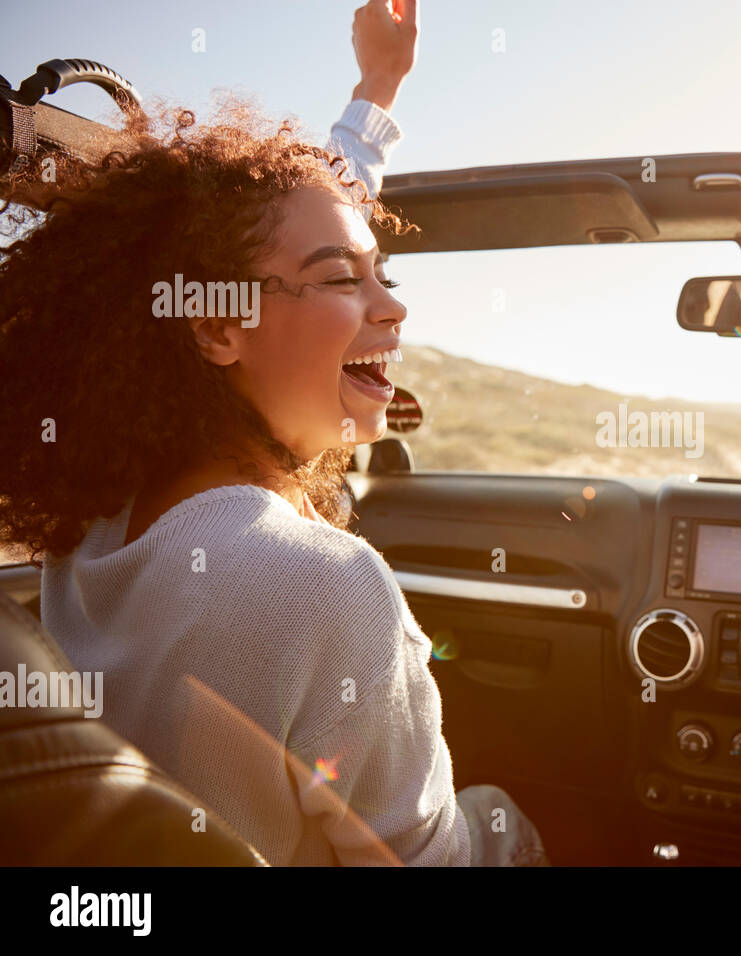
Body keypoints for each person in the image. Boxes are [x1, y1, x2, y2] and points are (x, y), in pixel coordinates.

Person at [0, 0, 547, 866]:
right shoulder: (326, 584)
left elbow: (284, 236)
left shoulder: (96, 527)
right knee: (502, 818)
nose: (393, 304)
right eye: (345, 280)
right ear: (216, 328)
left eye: (383, 272)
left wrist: (378, 91)